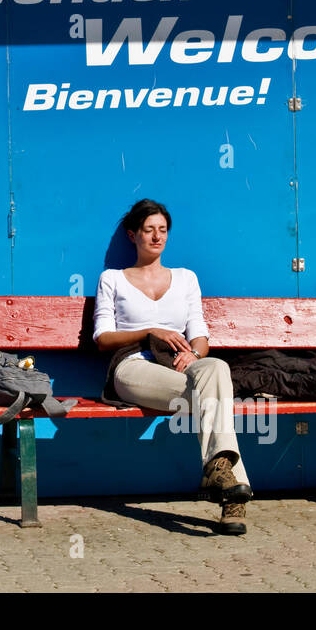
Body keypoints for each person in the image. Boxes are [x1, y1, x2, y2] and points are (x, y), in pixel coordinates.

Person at [92, 198, 253, 535]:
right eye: (149, 230)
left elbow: (200, 335)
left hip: (179, 366)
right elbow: (103, 338)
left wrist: (194, 355)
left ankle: (219, 470)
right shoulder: (113, 279)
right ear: (132, 234)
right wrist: (150, 332)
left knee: (216, 369)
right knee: (216, 401)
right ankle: (231, 497)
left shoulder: (185, 278)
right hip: (133, 367)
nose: (156, 237)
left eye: (162, 230)